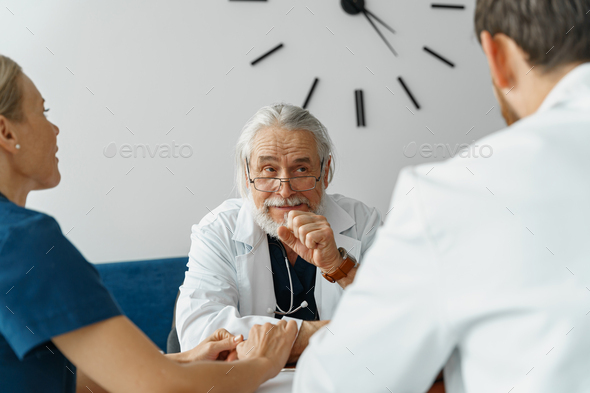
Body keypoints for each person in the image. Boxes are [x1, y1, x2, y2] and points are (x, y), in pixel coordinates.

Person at [294, 0, 590, 392]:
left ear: (497, 55)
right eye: (267, 169)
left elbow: (336, 384)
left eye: (302, 167)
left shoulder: (455, 193)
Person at [0, 54, 298, 393]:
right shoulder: (23, 241)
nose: (54, 128)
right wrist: (264, 363)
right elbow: (164, 389)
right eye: (43, 112)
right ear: (6, 132)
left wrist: (178, 362)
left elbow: (66, 379)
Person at [175, 104, 382, 363]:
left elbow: (405, 317)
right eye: (269, 170)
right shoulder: (217, 230)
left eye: (301, 170)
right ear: (248, 173)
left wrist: (336, 265)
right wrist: (345, 333)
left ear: (325, 172)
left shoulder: (364, 224)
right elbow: (200, 336)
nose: (285, 191)